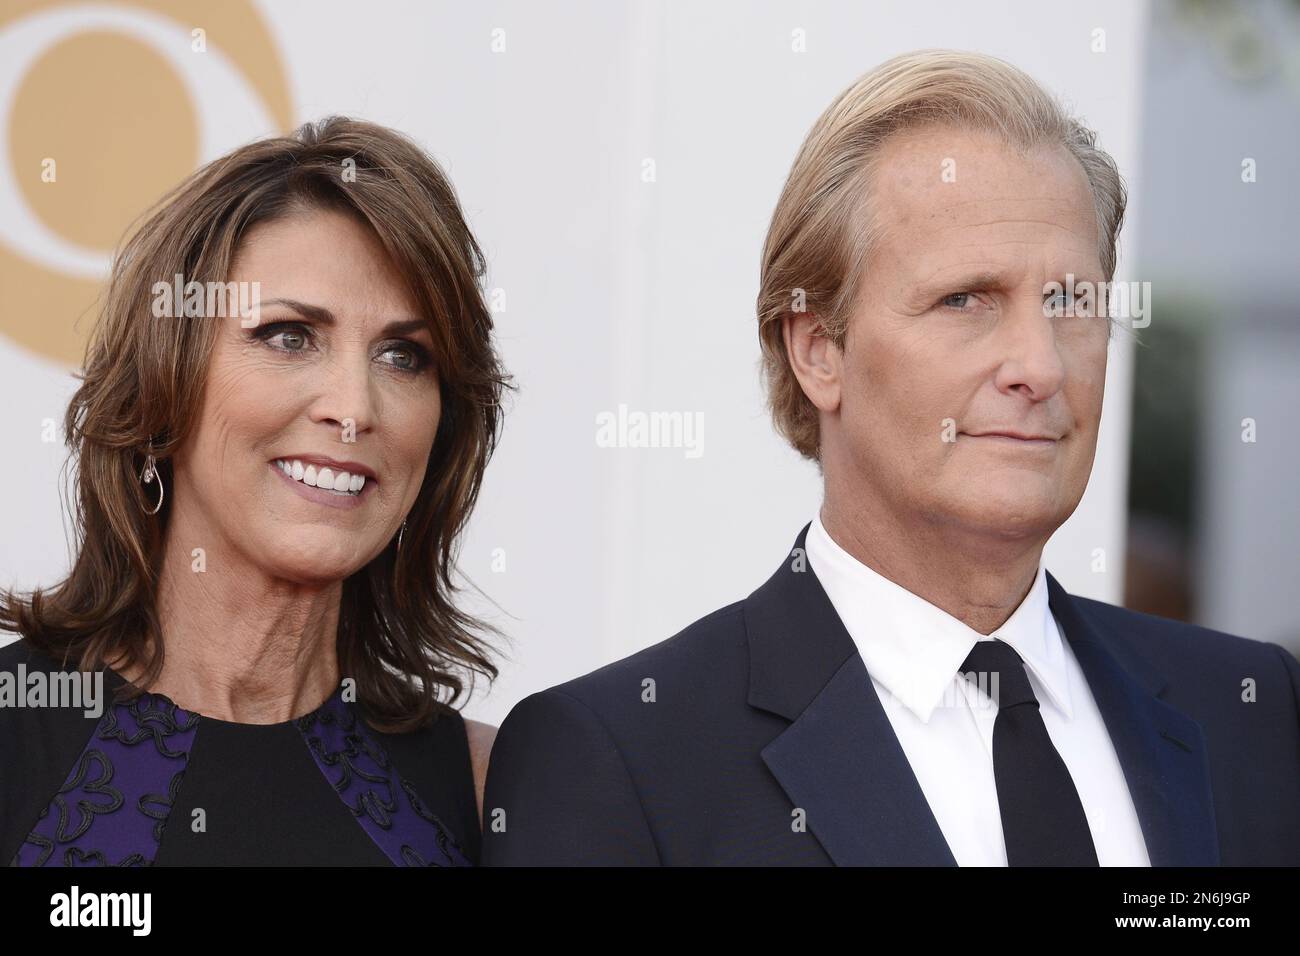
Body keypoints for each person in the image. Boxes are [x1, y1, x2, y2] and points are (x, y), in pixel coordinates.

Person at [481, 50, 1300, 866]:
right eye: (965, 300)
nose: (1042, 366)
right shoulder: (622, 761)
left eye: (1071, 302)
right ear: (818, 350)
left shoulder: (1248, 710)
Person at [0, 117, 509, 866]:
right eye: (288, 336)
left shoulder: (482, 787)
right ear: (162, 385)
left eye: (404, 356)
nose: (355, 408)